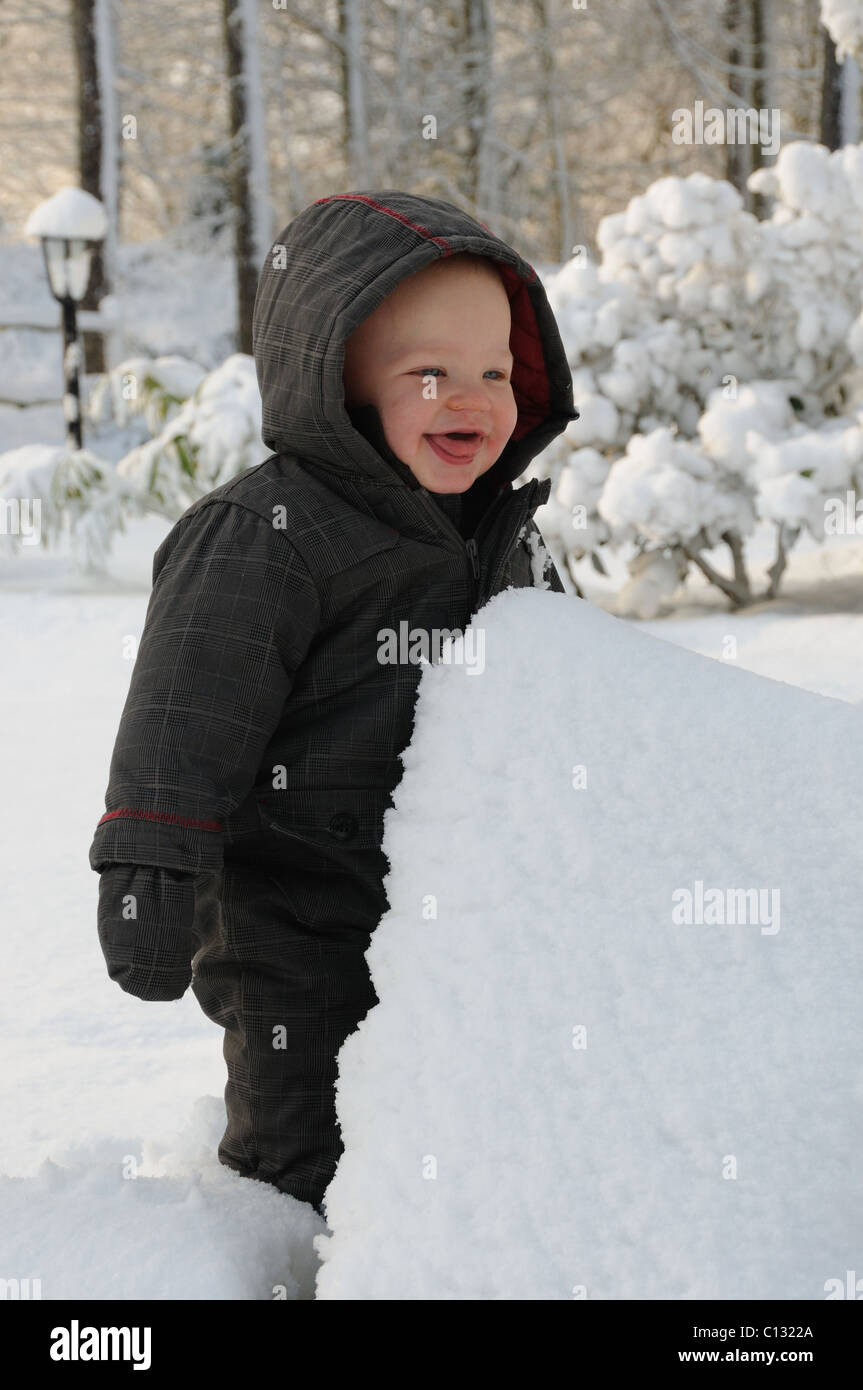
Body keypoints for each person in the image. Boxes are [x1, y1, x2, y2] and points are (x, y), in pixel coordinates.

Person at [89, 190, 577, 1220]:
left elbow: (579, 693)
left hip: (467, 920)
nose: (474, 398)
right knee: (306, 1139)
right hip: (293, 918)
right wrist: (147, 880)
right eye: (428, 373)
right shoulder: (266, 533)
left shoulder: (502, 533)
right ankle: (274, 1261)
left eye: (495, 370)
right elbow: (184, 719)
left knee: (460, 1133)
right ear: (335, 377)